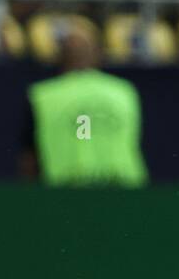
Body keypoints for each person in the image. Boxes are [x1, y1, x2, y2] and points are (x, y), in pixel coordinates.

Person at [22, 29, 147, 187]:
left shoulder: (42, 95)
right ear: (98, 55)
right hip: (123, 187)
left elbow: (29, 156)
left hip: (67, 190)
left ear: (59, 58)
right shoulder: (124, 92)